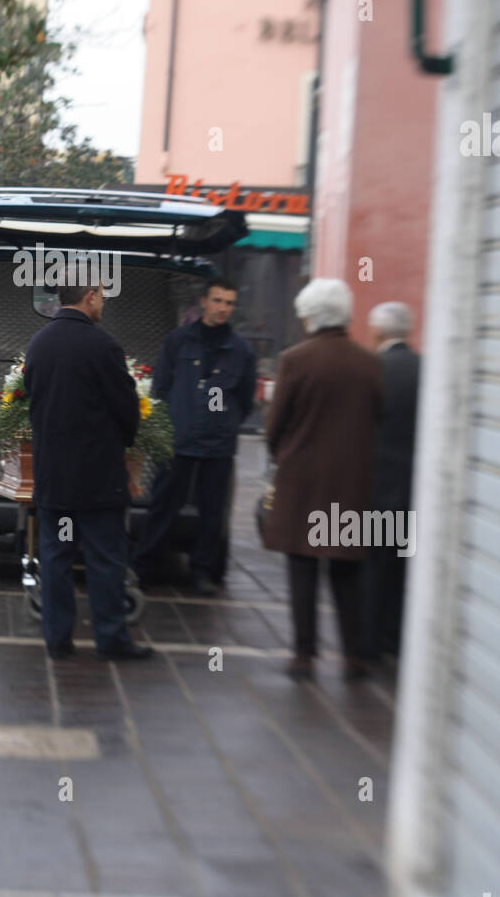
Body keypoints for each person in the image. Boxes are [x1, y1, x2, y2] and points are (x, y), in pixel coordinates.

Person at [23, 282, 151, 661]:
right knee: (104, 558)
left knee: (57, 557)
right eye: (103, 298)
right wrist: (124, 442)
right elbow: (126, 408)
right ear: (90, 295)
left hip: (54, 478)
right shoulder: (102, 346)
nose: (103, 305)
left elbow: (33, 402)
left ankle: (57, 639)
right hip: (97, 480)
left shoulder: (39, 344)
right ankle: (111, 639)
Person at [263, 278, 383, 681]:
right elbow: (380, 421)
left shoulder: (296, 359)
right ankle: (353, 655)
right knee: (347, 571)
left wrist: (281, 453)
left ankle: (304, 654)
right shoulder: (370, 363)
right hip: (351, 482)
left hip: (303, 481)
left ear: (311, 316)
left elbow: (274, 425)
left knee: (302, 567)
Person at [131, 278, 256, 595]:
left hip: (218, 445)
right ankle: (145, 567)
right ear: (204, 302)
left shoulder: (241, 350)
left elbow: (244, 398)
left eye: (229, 303)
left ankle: (202, 572)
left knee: (212, 512)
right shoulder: (179, 341)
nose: (222, 309)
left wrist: (225, 423)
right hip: (178, 439)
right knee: (163, 505)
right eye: (217, 301)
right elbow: (162, 386)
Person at [361, 301, 420, 659]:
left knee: (372, 567)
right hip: (412, 486)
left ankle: (368, 643)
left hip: (376, 484)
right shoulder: (424, 368)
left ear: (378, 331)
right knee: (402, 566)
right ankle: (395, 638)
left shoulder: (373, 369)